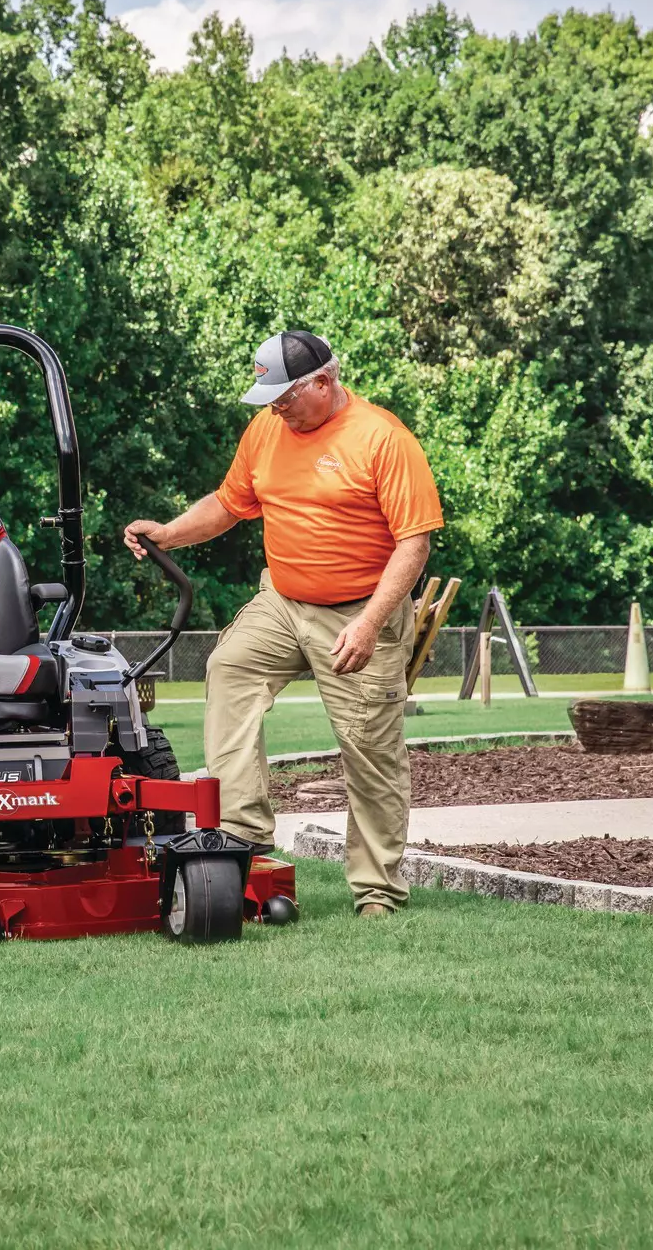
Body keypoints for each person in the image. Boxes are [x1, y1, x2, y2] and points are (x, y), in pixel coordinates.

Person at [124, 330, 442, 916]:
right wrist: (169, 532)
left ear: (324, 382)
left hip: (359, 608)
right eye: (268, 398)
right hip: (283, 600)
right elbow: (228, 503)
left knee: (368, 748)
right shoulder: (269, 428)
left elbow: (413, 544)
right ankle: (242, 834)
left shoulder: (382, 439)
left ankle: (377, 891)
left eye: (285, 397)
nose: (275, 408)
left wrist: (371, 624)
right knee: (230, 669)